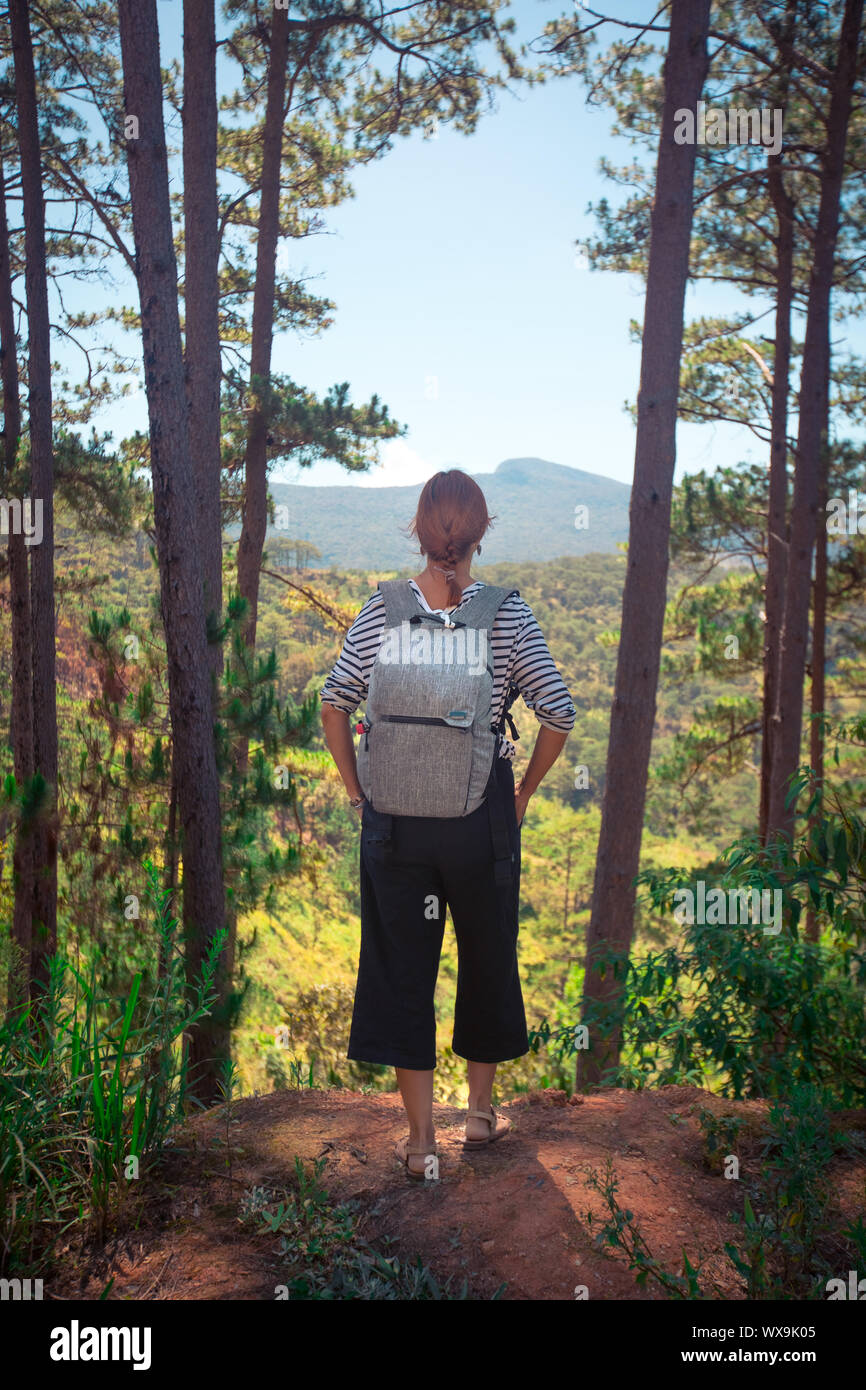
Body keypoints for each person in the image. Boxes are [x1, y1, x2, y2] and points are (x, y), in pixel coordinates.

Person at [320, 469, 575, 1178]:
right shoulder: (507, 616)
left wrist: (356, 792)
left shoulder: (383, 610)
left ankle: (421, 1140)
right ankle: (480, 1117)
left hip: (395, 821)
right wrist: (519, 793)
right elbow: (559, 712)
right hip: (478, 817)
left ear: (421, 531)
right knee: (486, 954)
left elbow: (334, 702)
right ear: (482, 533)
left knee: (403, 971)